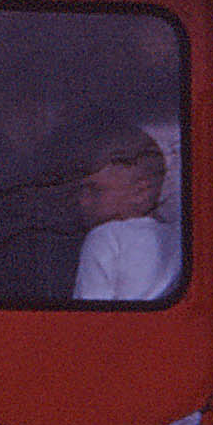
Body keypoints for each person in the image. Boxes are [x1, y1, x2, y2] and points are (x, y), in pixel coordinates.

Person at [62, 117, 177, 302]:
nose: (82, 201)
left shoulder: (105, 237)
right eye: (80, 191)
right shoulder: (174, 238)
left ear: (141, 191)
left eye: (95, 190)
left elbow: (89, 317)